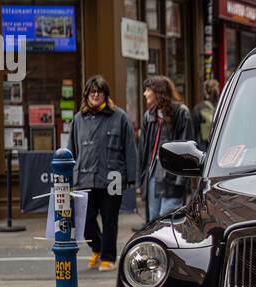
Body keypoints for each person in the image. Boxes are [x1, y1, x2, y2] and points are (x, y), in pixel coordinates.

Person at [68, 76, 137, 270]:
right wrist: (67, 176)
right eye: (92, 92)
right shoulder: (78, 119)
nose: (96, 95)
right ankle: (96, 247)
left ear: (105, 95)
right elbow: (71, 149)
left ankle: (108, 257)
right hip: (83, 177)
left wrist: (131, 178)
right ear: (87, 95)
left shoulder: (120, 116)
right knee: (84, 219)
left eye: (99, 92)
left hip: (113, 178)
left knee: (110, 219)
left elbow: (130, 148)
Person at [139, 76, 194, 223]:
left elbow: (186, 147)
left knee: (168, 220)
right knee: (153, 221)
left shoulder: (181, 112)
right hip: (153, 176)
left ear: (158, 92)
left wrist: (181, 180)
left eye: (148, 89)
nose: (144, 93)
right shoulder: (149, 116)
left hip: (172, 176)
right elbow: (144, 151)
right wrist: (143, 178)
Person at [191, 79, 220, 153]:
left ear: (205, 91)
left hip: (204, 148)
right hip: (219, 145)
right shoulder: (222, 106)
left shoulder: (198, 108)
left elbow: (194, 131)